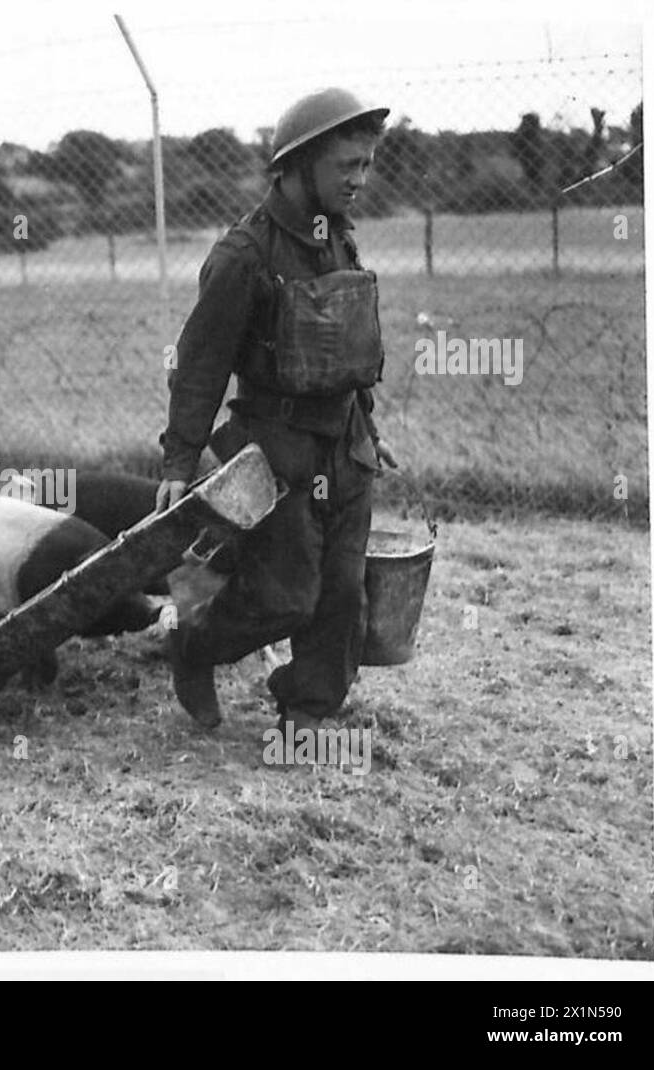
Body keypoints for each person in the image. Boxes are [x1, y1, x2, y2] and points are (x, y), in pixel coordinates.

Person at [156, 87, 399, 733]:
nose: (360, 179)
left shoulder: (339, 241)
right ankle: (194, 645)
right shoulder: (244, 256)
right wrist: (180, 459)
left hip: (344, 447)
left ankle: (305, 711)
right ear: (295, 167)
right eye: (347, 166)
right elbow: (200, 362)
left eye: (366, 164)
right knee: (287, 598)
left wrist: (369, 428)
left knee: (343, 596)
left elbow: (347, 348)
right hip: (275, 451)